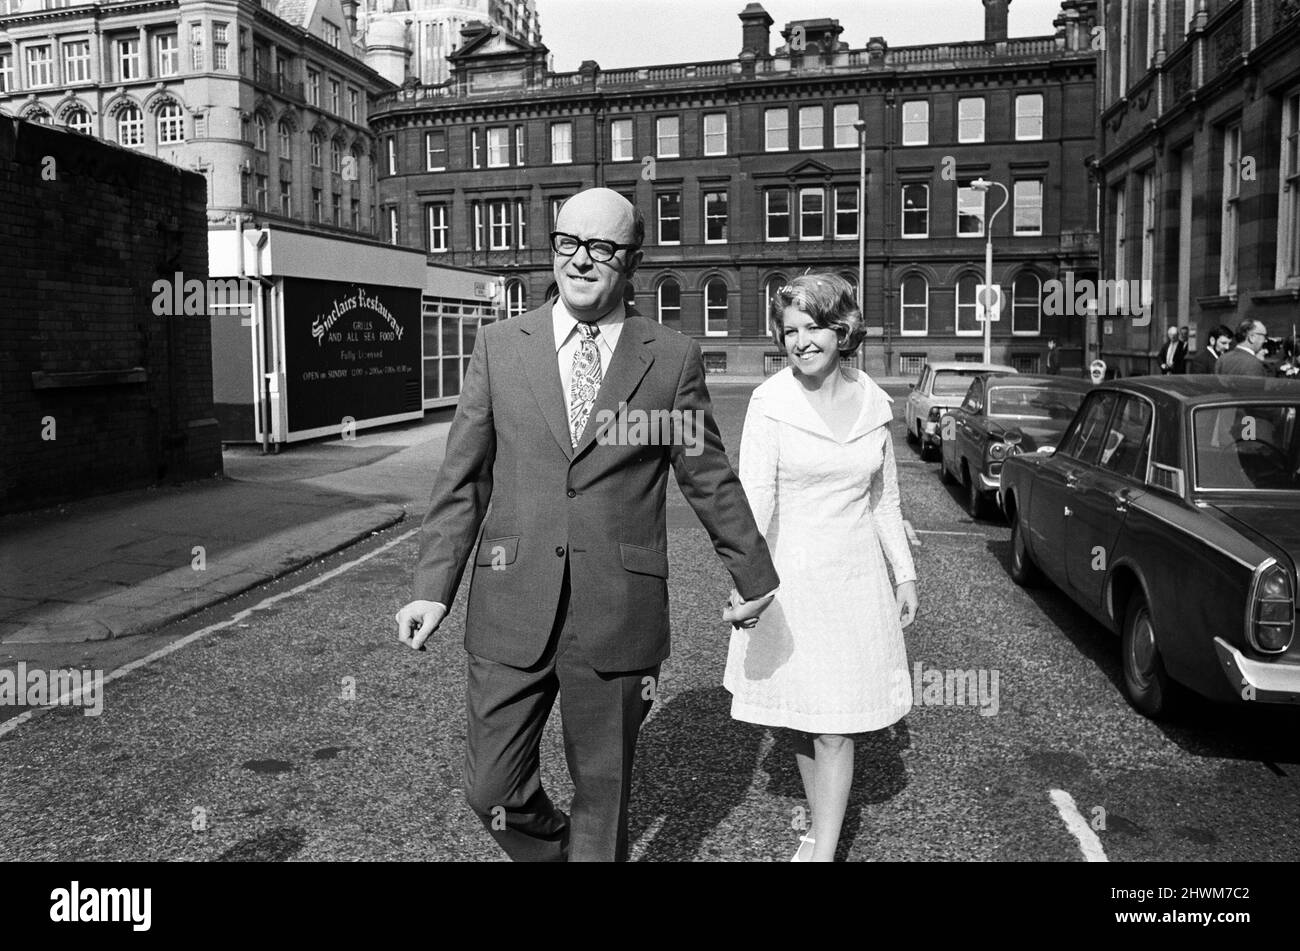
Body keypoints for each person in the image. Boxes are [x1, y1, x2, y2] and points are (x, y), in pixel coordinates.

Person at [395, 188, 779, 862]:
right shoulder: (498, 346)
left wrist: (755, 575)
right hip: (511, 600)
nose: (579, 260)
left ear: (630, 260)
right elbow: (464, 478)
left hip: (616, 607)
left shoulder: (670, 357)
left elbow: (707, 476)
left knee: (604, 795)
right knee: (491, 788)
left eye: (600, 247)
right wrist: (433, 585)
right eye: (567, 243)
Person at [724, 273, 919, 863]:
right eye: (790, 331)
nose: (801, 341)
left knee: (837, 725)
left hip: (856, 582)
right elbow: (753, 499)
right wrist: (745, 585)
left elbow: (884, 499)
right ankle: (820, 830)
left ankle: (823, 850)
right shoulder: (770, 402)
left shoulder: (875, 401)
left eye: (813, 327)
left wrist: (904, 573)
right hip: (792, 581)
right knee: (810, 715)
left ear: (842, 330)